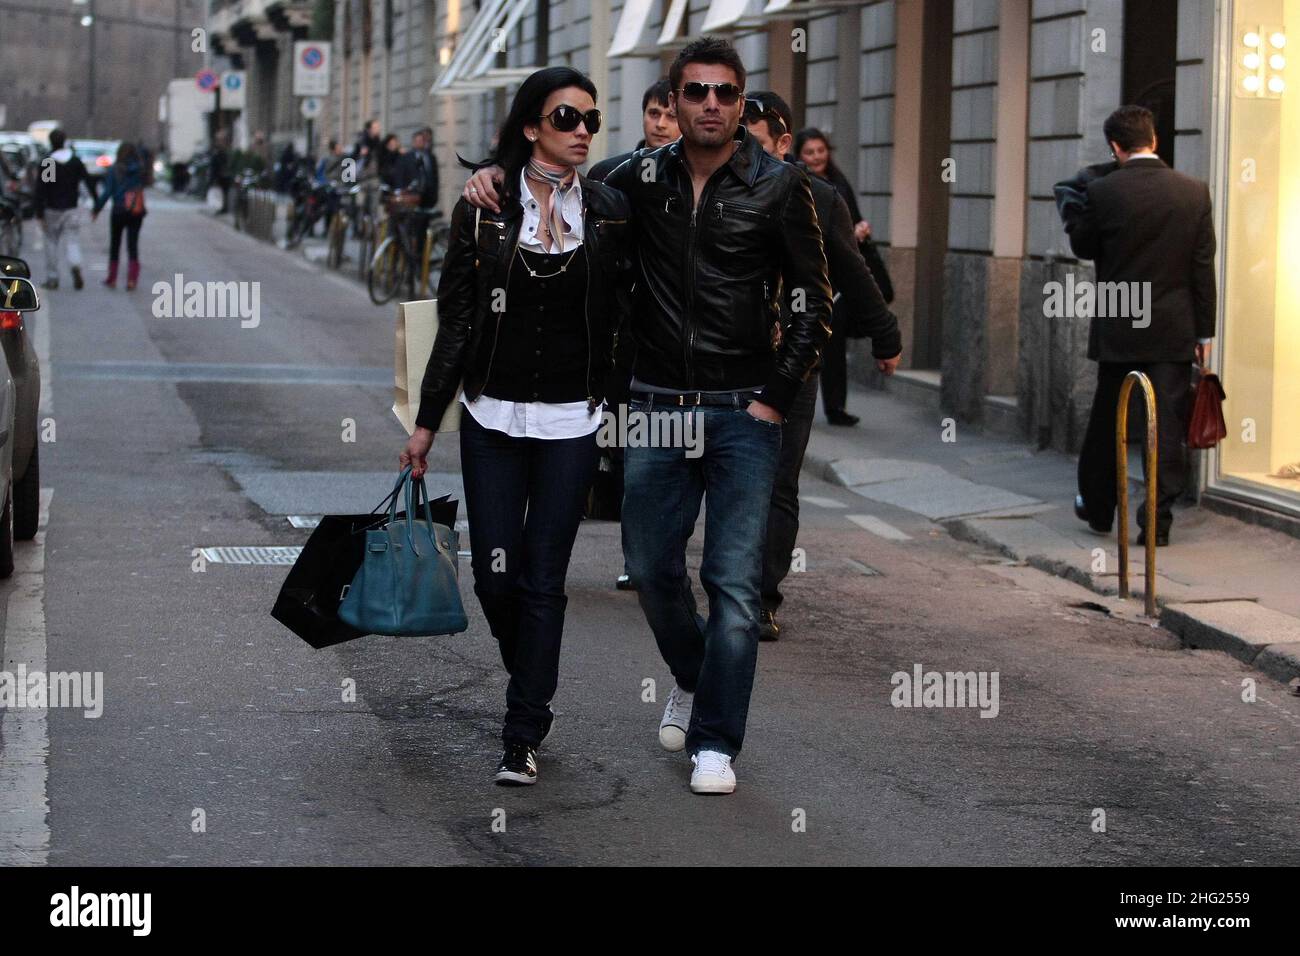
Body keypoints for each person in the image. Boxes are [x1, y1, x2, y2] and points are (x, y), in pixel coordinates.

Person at [467, 36, 832, 796]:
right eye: (694, 92)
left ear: (741, 104)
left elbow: (813, 304)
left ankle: (715, 742)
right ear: (674, 101)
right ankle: (695, 675)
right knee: (654, 571)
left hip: (741, 412)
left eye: (725, 94)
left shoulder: (778, 186)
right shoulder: (631, 180)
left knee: (733, 584)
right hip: (656, 407)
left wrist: (775, 393)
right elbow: (552, 182)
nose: (709, 105)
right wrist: (494, 177)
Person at [401, 67, 631, 787]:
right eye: (568, 118)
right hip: (491, 416)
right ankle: (531, 669)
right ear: (532, 125)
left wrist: (618, 403)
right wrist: (425, 423)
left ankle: (522, 728)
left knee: (543, 582)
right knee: (497, 580)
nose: (583, 131)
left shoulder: (612, 209)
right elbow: (459, 320)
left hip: (571, 423)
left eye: (592, 119)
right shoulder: (483, 210)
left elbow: (625, 313)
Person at [744, 92, 902, 642]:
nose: (743, 153)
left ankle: (760, 597)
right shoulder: (708, 186)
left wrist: (885, 333)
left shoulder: (817, 195)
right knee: (721, 475)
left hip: (794, 356)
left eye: (755, 142)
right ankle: (722, 583)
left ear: (782, 144)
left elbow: (851, 271)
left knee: (778, 480)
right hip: (723, 360)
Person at [1064, 105, 1216, 547]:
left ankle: (1098, 507)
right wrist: (1204, 332)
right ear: (1155, 140)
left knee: (1109, 420)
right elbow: (1201, 268)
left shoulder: (1103, 190)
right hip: (1173, 328)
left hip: (1120, 325)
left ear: (1115, 147)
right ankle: (1157, 522)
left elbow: (1084, 244)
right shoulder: (1194, 192)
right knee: (1165, 426)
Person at [587, 77, 680, 592]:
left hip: (686, 346)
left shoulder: (705, 177)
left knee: (683, 458)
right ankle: (639, 557)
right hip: (628, 339)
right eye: (653, 113)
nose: (661, 123)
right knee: (633, 453)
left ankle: (663, 557)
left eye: (669, 113)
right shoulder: (613, 174)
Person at [794, 127, 895, 426]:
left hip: (840, 275)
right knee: (810, 342)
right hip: (811, 274)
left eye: (820, 151)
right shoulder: (800, 183)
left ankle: (836, 407)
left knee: (834, 340)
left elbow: (851, 219)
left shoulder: (839, 183)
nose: (816, 157)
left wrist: (858, 232)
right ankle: (796, 400)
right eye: (809, 152)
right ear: (799, 155)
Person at [34, 128, 95, 290]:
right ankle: (75, 265)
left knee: (51, 243)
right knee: (72, 241)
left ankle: (53, 277)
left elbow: (43, 188)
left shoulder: (49, 162)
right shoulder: (75, 161)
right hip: (71, 208)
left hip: (52, 208)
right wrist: (95, 202)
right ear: (64, 141)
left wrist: (39, 212)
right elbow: (87, 181)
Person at [587, 78, 679, 181]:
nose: (660, 124)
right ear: (643, 115)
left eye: (671, 116)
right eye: (654, 113)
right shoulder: (606, 172)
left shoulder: (695, 177)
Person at [92, 142, 148, 291]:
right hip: (136, 210)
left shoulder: (114, 169)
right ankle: (132, 280)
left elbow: (107, 192)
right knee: (133, 245)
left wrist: (97, 208)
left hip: (118, 210)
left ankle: (112, 278)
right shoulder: (140, 170)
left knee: (115, 245)